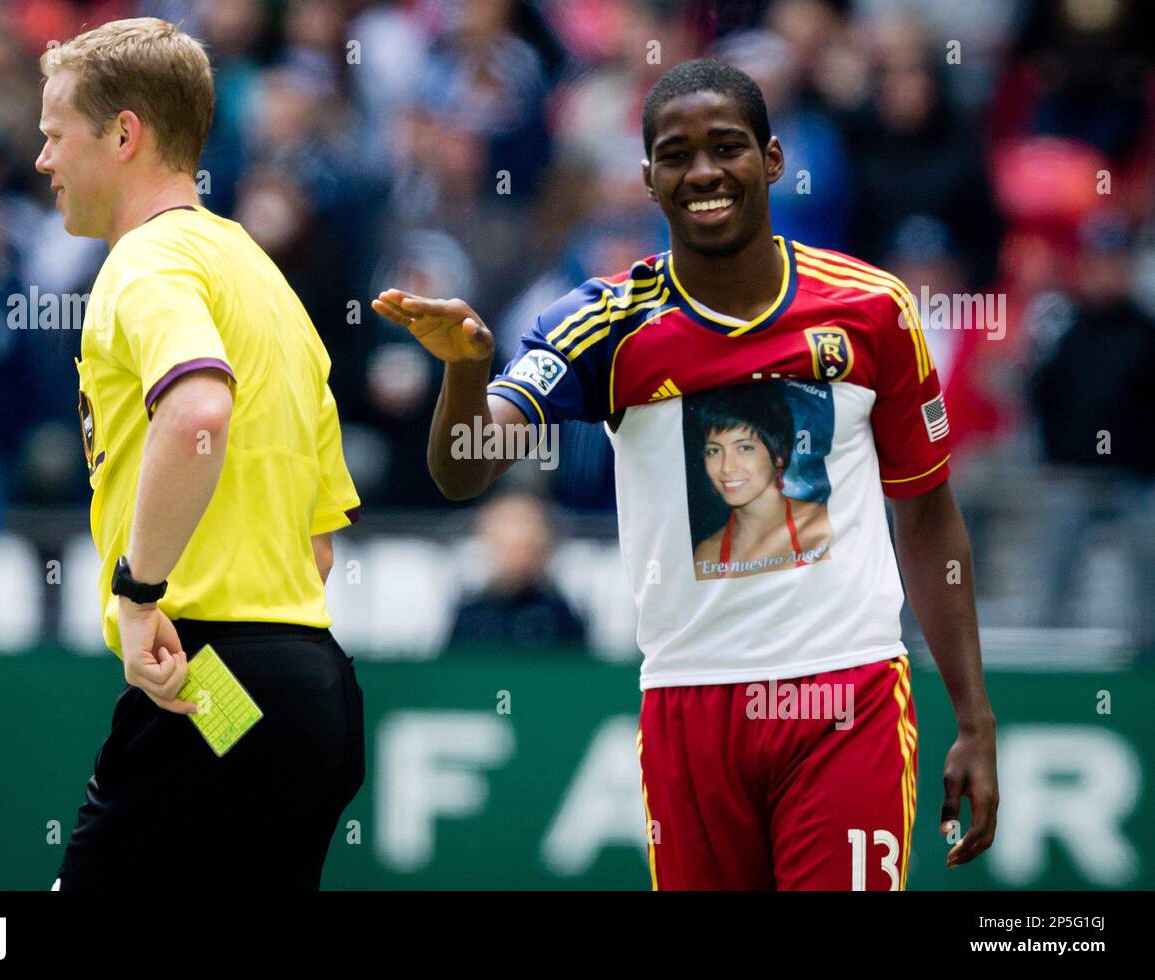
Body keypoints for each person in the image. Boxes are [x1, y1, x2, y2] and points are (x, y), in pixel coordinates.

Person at [373, 58, 998, 890]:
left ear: (772, 160)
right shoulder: (605, 324)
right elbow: (464, 471)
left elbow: (927, 513)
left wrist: (975, 717)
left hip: (845, 693)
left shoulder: (872, 308)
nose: (703, 172)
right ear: (647, 178)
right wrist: (463, 372)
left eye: (726, 147)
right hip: (689, 700)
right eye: (676, 154)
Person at [36, 18, 363, 891]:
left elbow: (195, 412)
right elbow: (318, 548)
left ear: (123, 133)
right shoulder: (264, 280)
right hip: (311, 692)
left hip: (204, 673)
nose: (42, 161)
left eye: (54, 135)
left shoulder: (146, 264)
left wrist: (138, 596)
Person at [689, 385, 831, 579]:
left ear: (779, 455)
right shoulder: (707, 555)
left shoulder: (824, 526)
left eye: (745, 448)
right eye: (714, 451)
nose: (726, 467)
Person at [447, 492, 588, 654]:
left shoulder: (559, 614)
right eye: (505, 547)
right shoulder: (471, 615)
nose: (514, 557)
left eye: (525, 547)